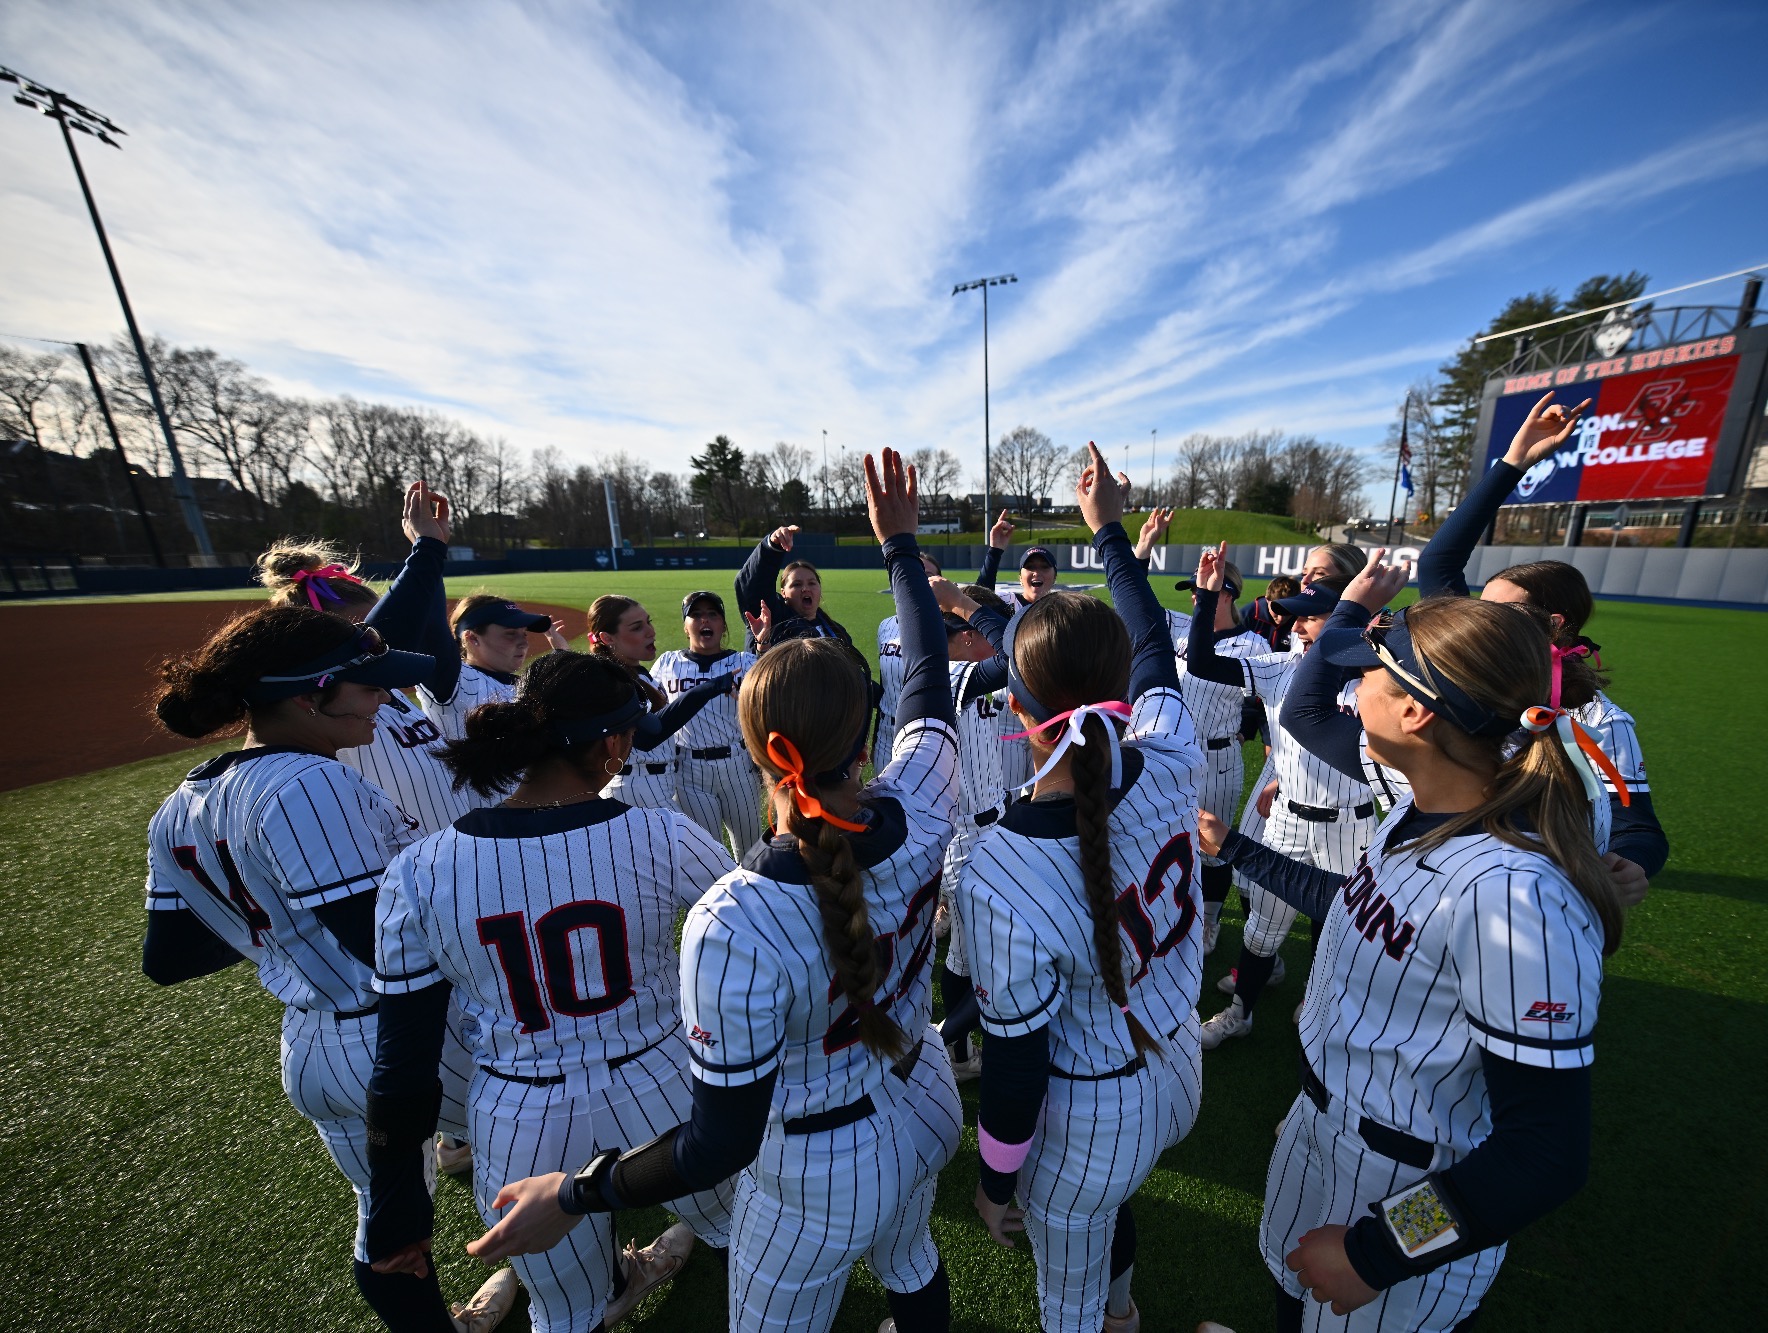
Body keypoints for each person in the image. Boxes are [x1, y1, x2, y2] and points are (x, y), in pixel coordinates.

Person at [465, 448, 963, 1333]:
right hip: (924, 1100)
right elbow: (929, 681)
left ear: (759, 746)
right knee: (914, 1259)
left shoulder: (734, 918)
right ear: (863, 732)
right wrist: (900, 549)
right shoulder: (924, 795)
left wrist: (579, 1190)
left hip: (815, 1163)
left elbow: (718, 1143)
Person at [1194, 564, 1624, 1333]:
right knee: (1290, 1296)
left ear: (1420, 715)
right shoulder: (1420, 809)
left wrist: (1378, 1249)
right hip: (1322, 1124)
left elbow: (1544, 1151)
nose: (1358, 690)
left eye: (1375, 677)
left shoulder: (1516, 893)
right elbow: (1357, 912)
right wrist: (1240, 853)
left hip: (1408, 1179)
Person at [142, 605, 517, 1333]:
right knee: (539, 1165)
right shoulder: (308, 782)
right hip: (406, 1039)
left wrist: (278, 925)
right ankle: (591, 1294)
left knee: (383, 1220)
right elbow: (389, 949)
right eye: (367, 684)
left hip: (310, 1046)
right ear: (309, 697)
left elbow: (170, 957)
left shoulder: (179, 803)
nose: (382, 697)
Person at [364, 649, 738, 1333]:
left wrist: (394, 1201)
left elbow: (403, 1059)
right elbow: (757, 940)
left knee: (565, 1314)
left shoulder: (418, 868)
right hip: (664, 1083)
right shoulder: (660, 830)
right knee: (739, 1228)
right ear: (612, 743)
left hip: (518, 1107)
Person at [942, 442, 1203, 1333]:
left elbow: (1014, 1063)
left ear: (1014, 710)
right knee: (1110, 1229)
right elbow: (1157, 644)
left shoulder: (999, 865)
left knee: (1067, 1297)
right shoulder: (1172, 753)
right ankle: (1127, 1311)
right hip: (1177, 1060)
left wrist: (993, 1175)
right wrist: (1110, 532)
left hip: (1092, 1102)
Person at [1411, 391, 1668, 884]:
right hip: (1428, 865)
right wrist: (1513, 463)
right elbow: (1438, 564)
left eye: (1496, 609)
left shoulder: (1599, 719)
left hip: (1516, 893)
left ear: (1552, 624)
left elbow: (1640, 828)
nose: (1475, 617)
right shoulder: (1471, 655)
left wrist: (1632, 863)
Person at [1185, 551, 1378, 1049]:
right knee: (1262, 924)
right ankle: (1240, 1012)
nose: (1298, 624)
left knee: (1334, 921)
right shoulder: (1280, 667)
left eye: (1312, 615)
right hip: (1288, 818)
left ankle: (1320, 998)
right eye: (1299, 614)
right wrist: (1206, 598)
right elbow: (1204, 662)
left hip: (1351, 823)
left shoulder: (1379, 676)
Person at [920, 583, 1012, 1083]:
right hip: (966, 840)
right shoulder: (950, 674)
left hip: (986, 829)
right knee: (985, 957)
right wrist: (966, 604)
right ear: (971, 635)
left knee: (965, 954)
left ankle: (955, 1052)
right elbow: (1016, 653)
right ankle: (947, 1048)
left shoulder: (961, 673)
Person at [1167, 558, 1269, 955]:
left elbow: (1263, 700)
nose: (1195, 596)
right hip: (1175, 754)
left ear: (1228, 592)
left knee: (1212, 848)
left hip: (1217, 760)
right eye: (1193, 590)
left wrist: (1246, 729)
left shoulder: (1254, 645)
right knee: (1176, 837)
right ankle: (1177, 910)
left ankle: (1209, 921)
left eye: (1204, 589)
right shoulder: (1184, 635)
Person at [588, 594, 738, 813]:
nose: (651, 631)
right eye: (637, 627)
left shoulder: (637, 674)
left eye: (649, 622)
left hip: (652, 784)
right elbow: (647, 736)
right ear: (608, 638)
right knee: (705, 848)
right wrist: (708, 688)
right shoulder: (611, 680)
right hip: (636, 788)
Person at [652, 590, 765, 855]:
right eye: (696, 614)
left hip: (738, 766)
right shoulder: (667, 663)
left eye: (713, 615)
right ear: (685, 625)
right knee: (708, 852)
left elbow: (773, 699)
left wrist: (763, 646)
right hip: (688, 771)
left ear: (723, 625)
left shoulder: (744, 662)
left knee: (751, 849)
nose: (705, 620)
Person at [423, 593, 570, 742]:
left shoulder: (523, 682)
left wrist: (562, 652)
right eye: (510, 634)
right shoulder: (458, 682)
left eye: (524, 634)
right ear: (472, 638)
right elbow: (430, 631)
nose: (524, 643)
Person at [734, 523, 852, 652]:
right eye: (797, 584)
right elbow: (753, 587)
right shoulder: (774, 622)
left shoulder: (836, 630)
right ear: (783, 593)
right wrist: (771, 548)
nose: (806, 588)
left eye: (812, 583)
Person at [1243, 574, 1301, 652]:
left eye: (1287, 611)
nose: (1281, 618)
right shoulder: (1247, 615)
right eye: (1276, 610)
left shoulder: (1303, 617)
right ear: (1267, 600)